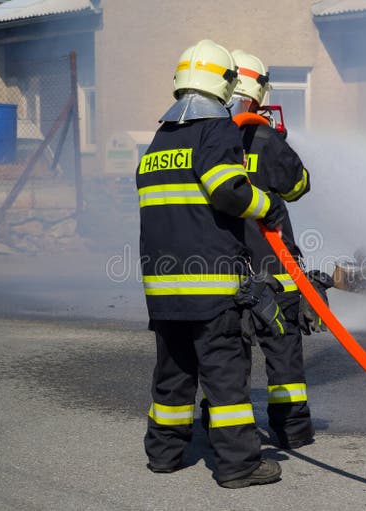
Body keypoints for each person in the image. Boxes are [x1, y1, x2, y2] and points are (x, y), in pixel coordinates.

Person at [138, 39, 289, 489]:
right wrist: (267, 205)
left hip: (164, 289)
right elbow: (228, 192)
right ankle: (239, 465)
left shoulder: (160, 139)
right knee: (225, 380)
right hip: (210, 287)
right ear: (225, 84)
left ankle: (164, 454)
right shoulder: (216, 131)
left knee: (174, 375)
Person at [223, 49, 321, 450]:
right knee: (283, 359)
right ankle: (292, 432)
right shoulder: (264, 139)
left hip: (225, 271)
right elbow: (299, 186)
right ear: (257, 89)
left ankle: (227, 436)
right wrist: (276, 143)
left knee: (229, 361)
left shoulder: (208, 137)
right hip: (275, 269)